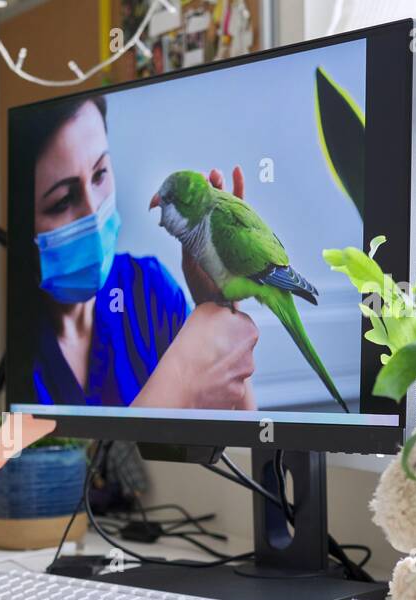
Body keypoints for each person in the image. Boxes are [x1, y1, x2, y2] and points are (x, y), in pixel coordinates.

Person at [25, 95, 258, 410]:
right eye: (63, 201)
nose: (94, 214)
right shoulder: (9, 343)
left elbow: (238, 438)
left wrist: (220, 310)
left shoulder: (148, 290)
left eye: (100, 175)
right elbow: (11, 459)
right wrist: (177, 383)